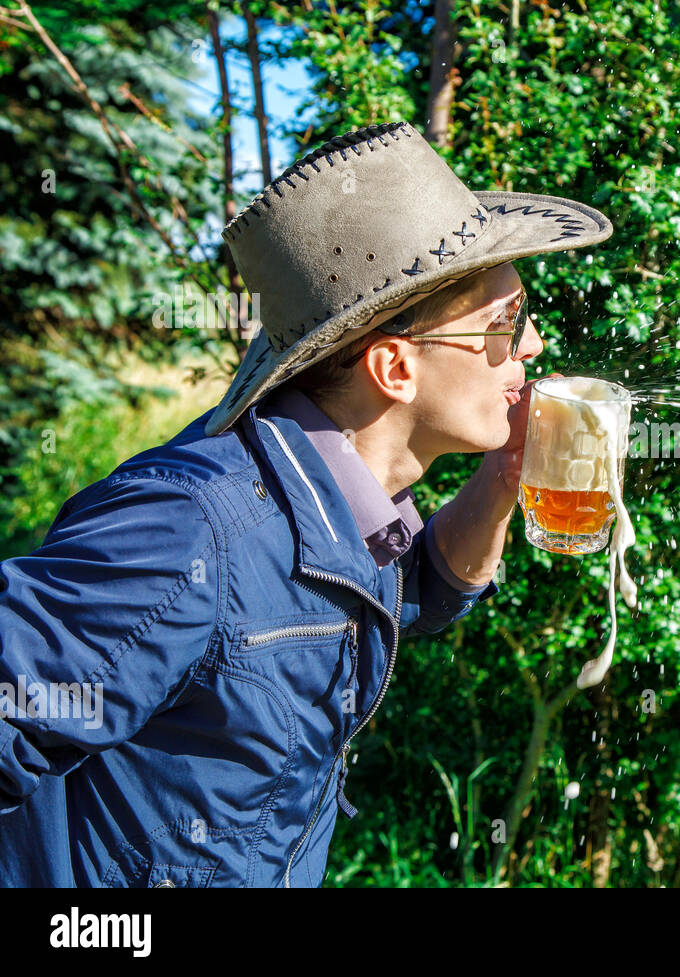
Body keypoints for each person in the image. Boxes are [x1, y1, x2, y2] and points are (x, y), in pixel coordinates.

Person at [0, 121, 613, 886]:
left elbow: (407, 590)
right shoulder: (191, 530)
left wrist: (498, 486)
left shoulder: (344, 480)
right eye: (503, 325)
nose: (532, 346)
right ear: (393, 366)